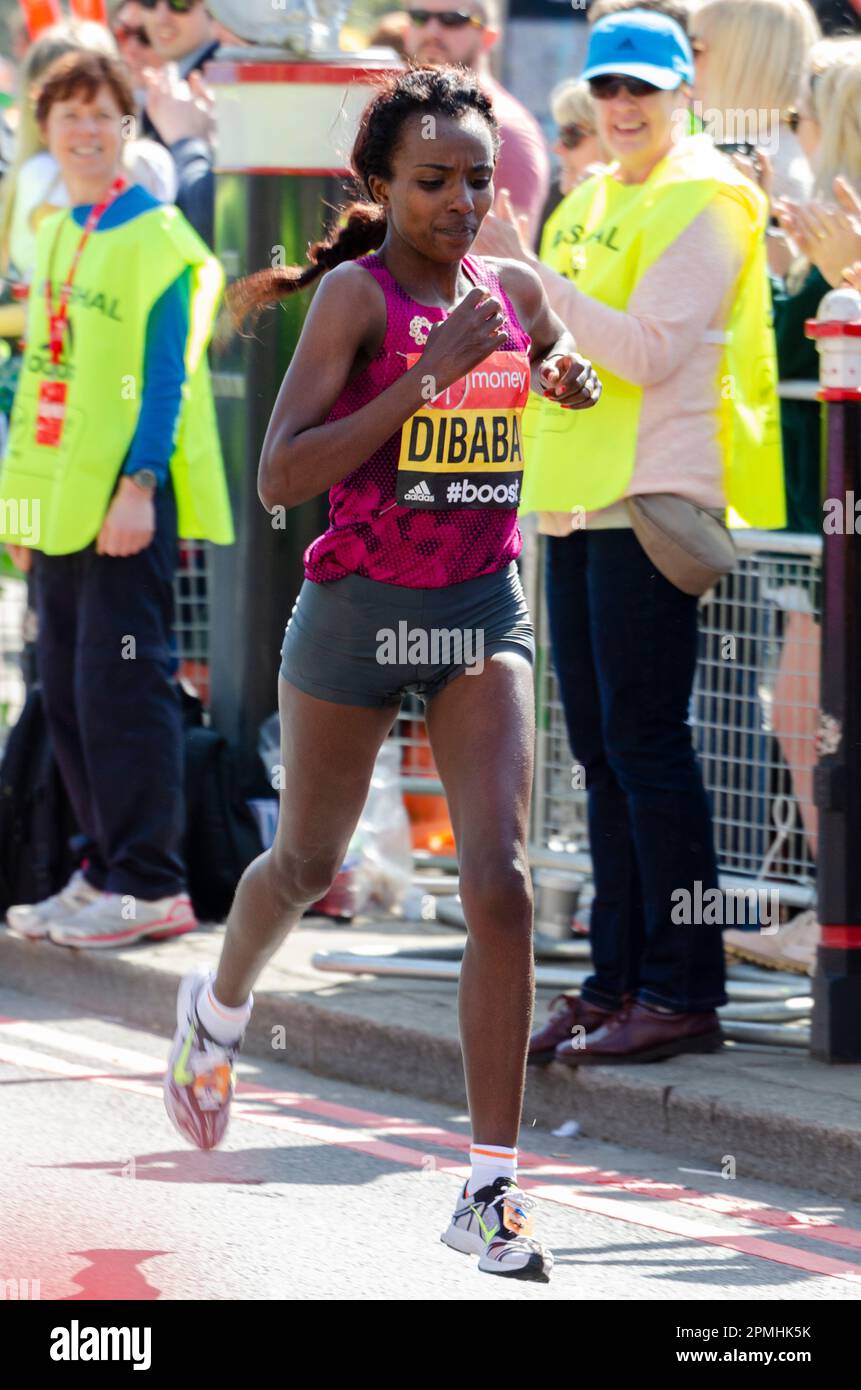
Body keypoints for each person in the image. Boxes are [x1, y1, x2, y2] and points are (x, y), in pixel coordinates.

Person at [162, 65, 600, 1283]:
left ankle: (491, 1189)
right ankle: (220, 1007)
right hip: (356, 612)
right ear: (380, 186)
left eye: (476, 179)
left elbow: (556, 357)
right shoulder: (357, 301)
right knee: (307, 860)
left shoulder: (507, 288)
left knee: (501, 881)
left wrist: (563, 374)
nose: (462, 201)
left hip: (475, 611)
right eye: (433, 182)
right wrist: (424, 381)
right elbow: (280, 478)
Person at [479, 8, 785, 1063]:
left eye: (640, 90)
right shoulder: (591, 195)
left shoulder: (711, 192)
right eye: (607, 88)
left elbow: (648, 352)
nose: (619, 107)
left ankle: (684, 989)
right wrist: (530, 314)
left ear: (682, 91)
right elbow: (566, 359)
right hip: (575, 496)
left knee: (649, 748)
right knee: (604, 753)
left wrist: (533, 275)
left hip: (652, 499)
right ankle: (614, 984)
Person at [0, 49, 233, 947]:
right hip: (55, 504)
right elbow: (41, 380)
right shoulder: (61, 229)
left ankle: (149, 881)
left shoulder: (160, 237)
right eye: (69, 116)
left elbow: (166, 379)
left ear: (128, 127)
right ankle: (100, 867)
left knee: (122, 686)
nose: (87, 132)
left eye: (104, 115)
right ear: (45, 130)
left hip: (123, 504)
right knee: (62, 684)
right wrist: (20, 513)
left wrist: (138, 486)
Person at [724, 36, 861, 976]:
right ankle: (832, 916)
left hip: (831, 522)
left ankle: (839, 924)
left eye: (805, 109)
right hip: (811, 521)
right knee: (800, 715)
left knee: (809, 714)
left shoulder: (841, 220)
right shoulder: (821, 216)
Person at [402, 0, 551, 245]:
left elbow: (503, 262)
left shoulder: (505, 129)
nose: (432, 31)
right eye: (420, 17)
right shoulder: (396, 114)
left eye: (453, 19)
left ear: (488, 37)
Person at [689, 0, 821, 204]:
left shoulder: (770, 172)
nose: (684, 65)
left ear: (744, 64)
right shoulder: (786, 151)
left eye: (695, 51)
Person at [139, 0, 219, 245]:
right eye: (150, 2)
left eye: (180, 2)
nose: (161, 16)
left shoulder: (224, 78)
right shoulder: (173, 78)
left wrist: (187, 142)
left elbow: (207, 218)